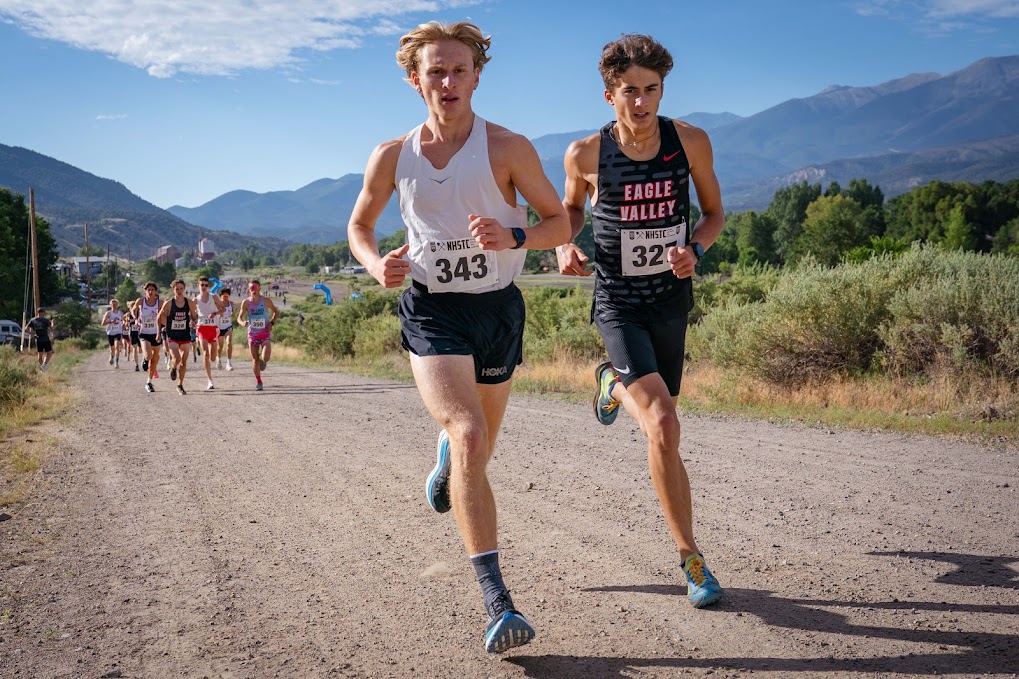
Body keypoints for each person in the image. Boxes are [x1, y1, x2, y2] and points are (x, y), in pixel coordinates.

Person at [347, 20, 569, 654]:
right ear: (414, 79)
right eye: (435, 71)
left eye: (459, 70)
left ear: (477, 76)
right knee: (470, 433)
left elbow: (559, 221)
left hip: (497, 310)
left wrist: (516, 237)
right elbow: (360, 225)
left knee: (475, 449)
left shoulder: (509, 149)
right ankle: (497, 599)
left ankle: (448, 457)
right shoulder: (392, 156)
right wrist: (373, 264)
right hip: (431, 309)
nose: (447, 82)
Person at [557, 34, 726, 609]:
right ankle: (692, 560)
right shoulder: (584, 155)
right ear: (610, 94)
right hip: (618, 302)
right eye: (629, 91)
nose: (641, 102)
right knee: (662, 422)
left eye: (651, 90)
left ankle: (610, 380)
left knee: (664, 422)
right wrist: (564, 246)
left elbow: (713, 214)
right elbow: (570, 211)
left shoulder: (690, 142)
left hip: (670, 301)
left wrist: (695, 252)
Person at [236, 279, 278, 391]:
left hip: (264, 333)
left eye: (255, 287)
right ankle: (259, 382)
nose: (253, 290)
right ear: (249, 290)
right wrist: (242, 322)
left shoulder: (266, 301)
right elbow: (239, 318)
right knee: (254, 360)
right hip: (252, 334)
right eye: (251, 288)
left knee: (266, 357)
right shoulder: (246, 302)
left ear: (259, 288)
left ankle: (262, 359)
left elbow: (276, 312)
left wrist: (272, 322)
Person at [158, 278, 197, 396]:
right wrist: (166, 326)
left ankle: (180, 385)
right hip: (172, 335)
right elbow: (160, 316)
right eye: (177, 289)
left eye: (181, 289)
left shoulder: (189, 302)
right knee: (177, 359)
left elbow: (195, 316)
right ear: (173, 289)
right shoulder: (169, 303)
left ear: (184, 289)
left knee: (184, 363)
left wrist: (194, 322)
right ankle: (173, 367)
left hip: (185, 334)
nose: (179, 291)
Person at [194, 276, 225, 390]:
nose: (204, 287)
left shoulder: (213, 297)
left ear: (208, 286)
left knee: (212, 357)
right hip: (202, 329)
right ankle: (209, 381)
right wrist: (192, 322)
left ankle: (215, 359)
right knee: (206, 354)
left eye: (206, 285)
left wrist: (215, 313)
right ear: (198, 285)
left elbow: (223, 309)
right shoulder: (195, 299)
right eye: (202, 285)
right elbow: (192, 314)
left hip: (213, 329)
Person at [131, 281, 163, 392]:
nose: (150, 292)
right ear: (145, 291)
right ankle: (145, 359)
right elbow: (133, 309)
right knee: (149, 355)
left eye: (152, 290)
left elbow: (166, 314)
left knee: (155, 359)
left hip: (156, 332)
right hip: (144, 332)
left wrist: (163, 325)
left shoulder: (160, 303)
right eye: (148, 290)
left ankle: (149, 382)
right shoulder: (141, 301)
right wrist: (135, 319)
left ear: (155, 291)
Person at [100, 299, 124, 368]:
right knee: (112, 348)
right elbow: (102, 323)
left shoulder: (120, 313)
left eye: (115, 304)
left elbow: (124, 321)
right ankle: (111, 356)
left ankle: (116, 363)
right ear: (110, 305)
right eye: (113, 305)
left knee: (117, 346)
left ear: (118, 305)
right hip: (110, 333)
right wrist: (110, 322)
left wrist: (124, 324)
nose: (114, 306)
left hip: (118, 332)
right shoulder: (108, 313)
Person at [216, 287, 235, 371]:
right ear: (220, 296)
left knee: (229, 343)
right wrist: (218, 315)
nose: (226, 297)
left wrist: (232, 314)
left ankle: (228, 363)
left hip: (228, 327)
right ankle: (218, 359)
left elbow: (233, 313)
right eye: (224, 296)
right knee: (220, 346)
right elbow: (214, 315)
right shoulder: (217, 304)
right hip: (219, 328)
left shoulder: (231, 303)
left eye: (227, 296)